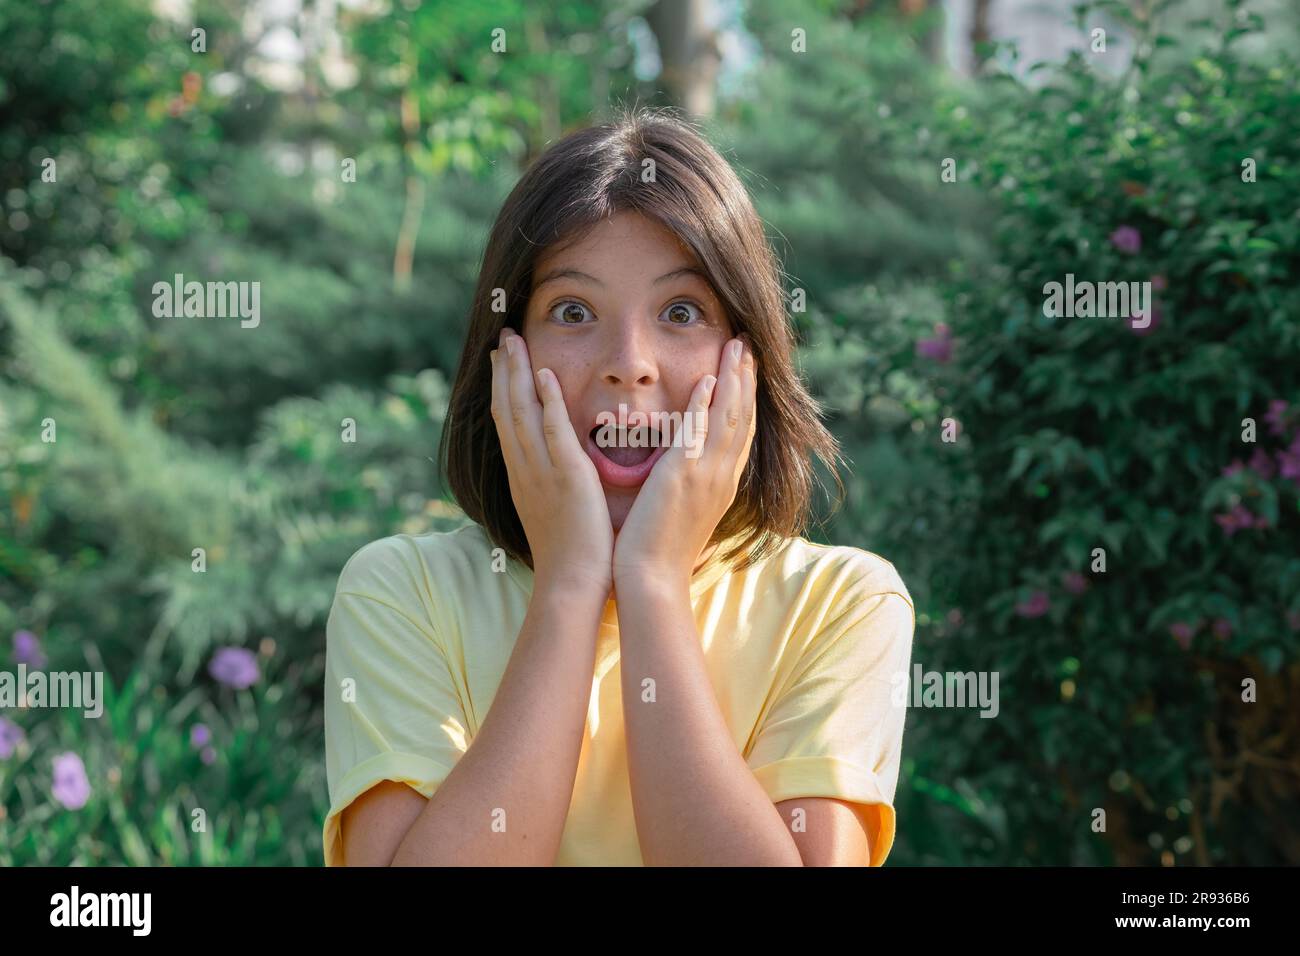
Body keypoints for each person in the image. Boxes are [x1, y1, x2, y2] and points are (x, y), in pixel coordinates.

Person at [322, 108, 914, 866]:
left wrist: (652, 583)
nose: (628, 362)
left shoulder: (842, 604)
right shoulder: (403, 593)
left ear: (749, 358)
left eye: (681, 312)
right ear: (504, 355)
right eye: (572, 312)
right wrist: (569, 583)